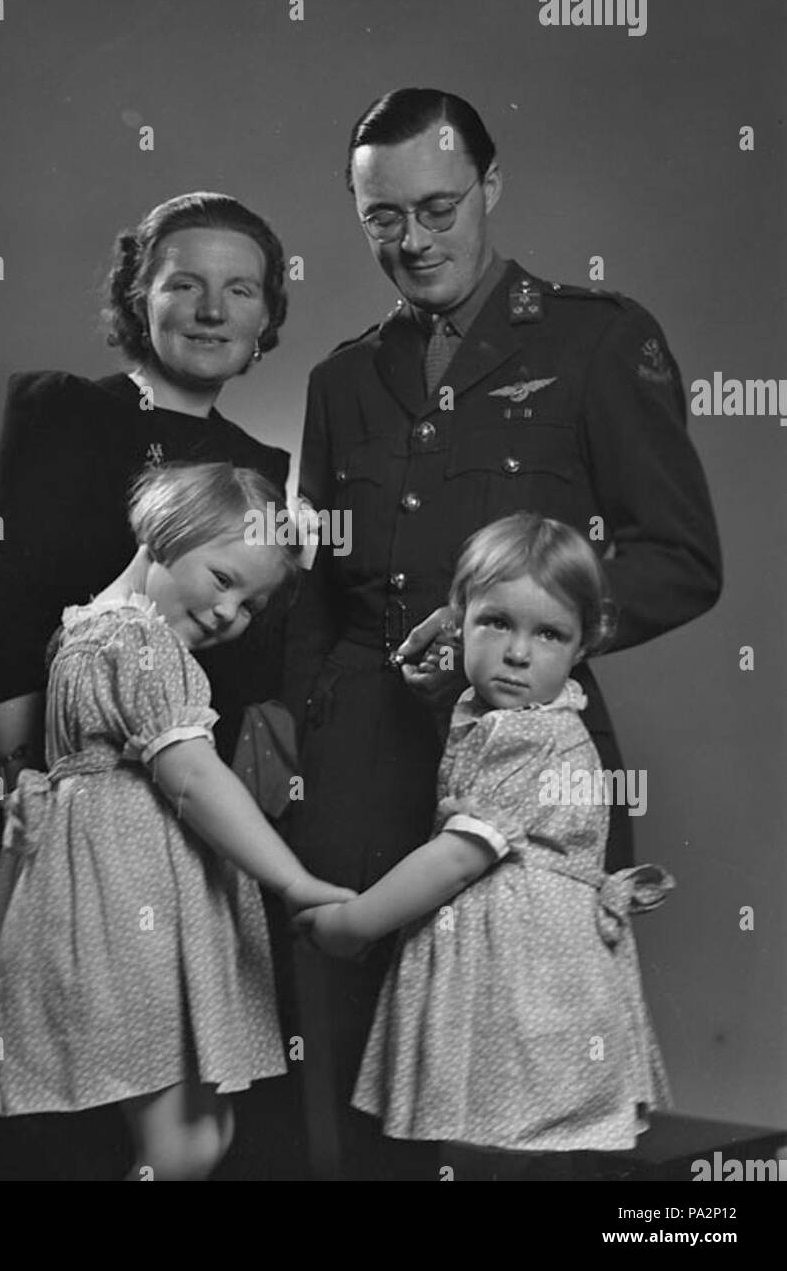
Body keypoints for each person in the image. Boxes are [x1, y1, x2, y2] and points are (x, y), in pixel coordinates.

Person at [282, 87, 721, 1178]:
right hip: (363, 760)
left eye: (437, 207)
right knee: (369, 1082)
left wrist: (529, 628)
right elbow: (319, 585)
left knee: (536, 1097)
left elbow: (679, 555)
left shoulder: (595, 339)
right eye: (382, 216)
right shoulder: (341, 377)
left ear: (490, 187)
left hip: (526, 768)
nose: (413, 239)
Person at [0, 192, 296, 1181]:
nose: (212, 309)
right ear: (139, 295)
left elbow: (256, 660)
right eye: (184, 284)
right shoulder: (70, 413)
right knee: (48, 1054)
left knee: (188, 1085)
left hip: (191, 815)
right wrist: (30, 782)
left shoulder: (259, 470)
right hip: (72, 805)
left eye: (240, 289)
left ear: (266, 318)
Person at [0, 463, 352, 1180]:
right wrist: (293, 882)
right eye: (222, 579)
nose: (228, 614)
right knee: (184, 1144)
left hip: (114, 910)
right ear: (165, 537)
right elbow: (190, 774)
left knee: (199, 1135)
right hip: (133, 920)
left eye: (250, 604)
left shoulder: (83, 633)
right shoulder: (140, 643)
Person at [296, 513, 673, 1179]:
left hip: (520, 971)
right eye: (494, 623)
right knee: (501, 1143)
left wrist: (354, 922)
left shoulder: (527, 736)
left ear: (583, 645)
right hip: (528, 963)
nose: (518, 653)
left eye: (548, 634)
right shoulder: (524, 717)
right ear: (456, 621)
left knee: (496, 1139)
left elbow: (459, 854)